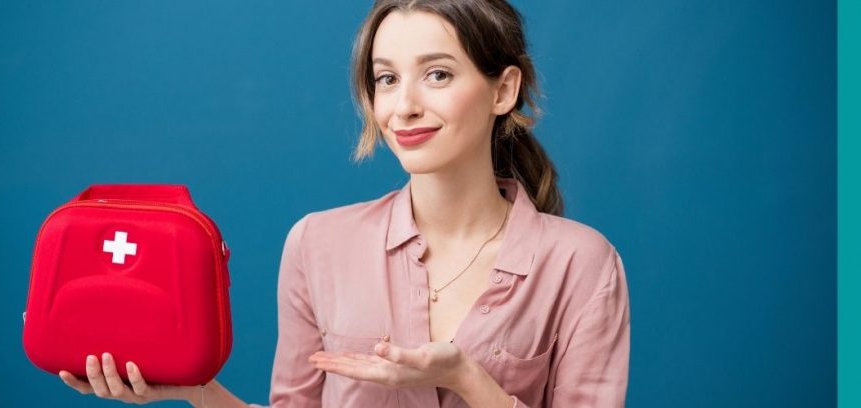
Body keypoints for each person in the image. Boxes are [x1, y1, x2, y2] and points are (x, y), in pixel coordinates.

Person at [58, 0, 630, 406]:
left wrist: (467, 378)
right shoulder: (318, 244)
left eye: (437, 74)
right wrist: (195, 391)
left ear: (503, 90)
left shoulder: (582, 264)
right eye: (386, 79)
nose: (403, 106)